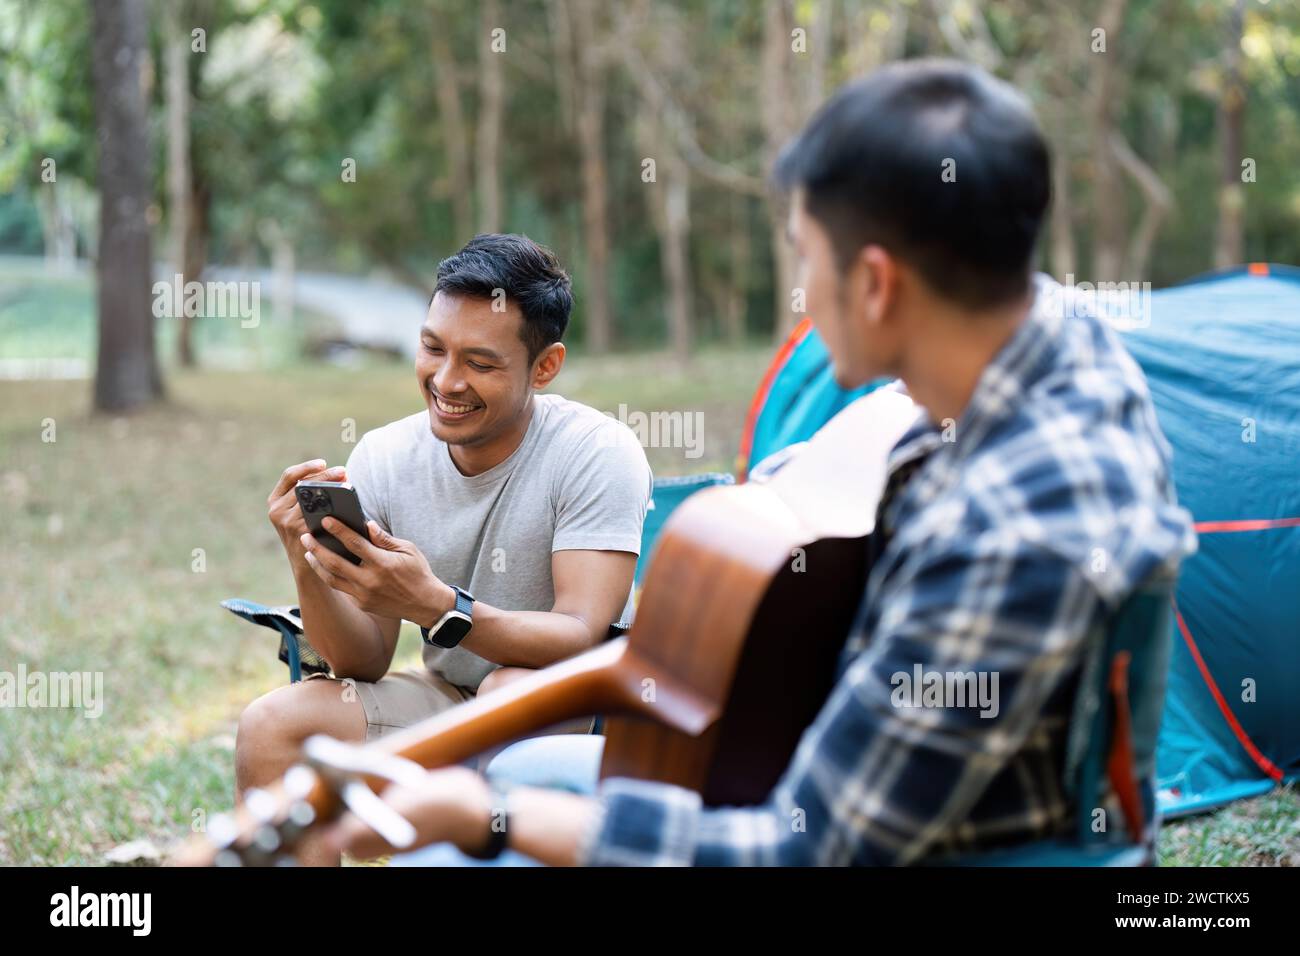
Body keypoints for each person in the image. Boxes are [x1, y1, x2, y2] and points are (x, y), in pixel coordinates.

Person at [325, 60, 1196, 866]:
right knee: (535, 767)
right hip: (964, 804)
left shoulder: (1005, 536)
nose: (803, 297)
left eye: (806, 259)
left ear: (878, 284)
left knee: (469, 829)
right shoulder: (1073, 353)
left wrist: (481, 819)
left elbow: (796, 852)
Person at [236, 233, 653, 866]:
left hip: (569, 704)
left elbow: (577, 634)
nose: (446, 380)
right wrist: (305, 554)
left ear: (545, 367)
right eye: (433, 348)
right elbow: (364, 660)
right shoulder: (387, 455)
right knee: (272, 726)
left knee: (510, 689)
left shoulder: (596, 452)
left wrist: (439, 607)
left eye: (481, 363)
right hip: (453, 698)